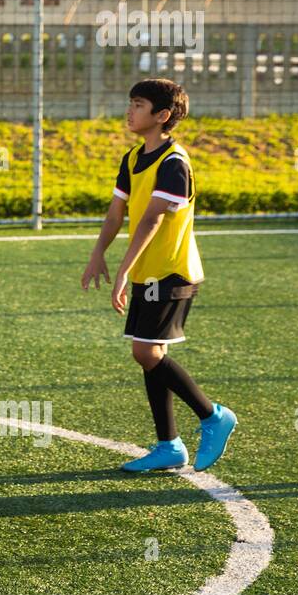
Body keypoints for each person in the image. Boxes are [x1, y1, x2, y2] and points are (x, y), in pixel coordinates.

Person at [82, 78, 237, 472]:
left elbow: (151, 219)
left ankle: (213, 416)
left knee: (145, 351)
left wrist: (122, 270)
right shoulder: (133, 158)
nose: (129, 111)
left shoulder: (174, 163)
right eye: (130, 102)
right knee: (150, 352)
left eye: (138, 104)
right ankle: (169, 445)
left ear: (162, 115)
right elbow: (117, 213)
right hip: (148, 274)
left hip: (170, 273)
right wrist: (97, 253)